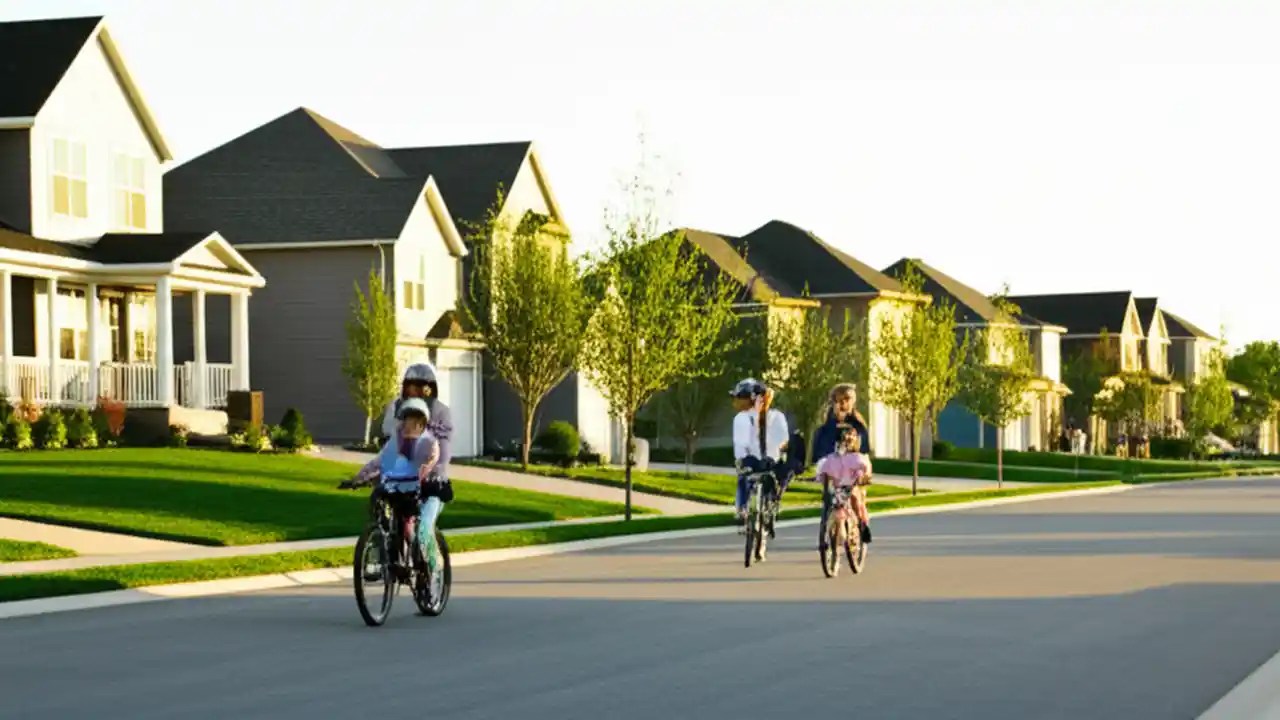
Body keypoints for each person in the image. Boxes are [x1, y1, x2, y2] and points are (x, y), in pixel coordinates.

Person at [352, 397, 453, 574]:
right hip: (406, 490)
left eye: (415, 423)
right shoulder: (395, 443)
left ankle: (433, 566)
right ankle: (383, 555)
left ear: (422, 425)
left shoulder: (429, 443)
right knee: (390, 518)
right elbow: (379, 462)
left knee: (423, 529)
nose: (409, 427)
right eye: (407, 421)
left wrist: (421, 472)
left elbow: (430, 462)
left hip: (431, 492)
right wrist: (359, 477)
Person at [380, 362, 454, 486]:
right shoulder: (396, 407)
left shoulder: (441, 412)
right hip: (398, 474)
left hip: (429, 476)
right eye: (412, 386)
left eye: (423, 387)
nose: (417, 391)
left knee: (431, 502)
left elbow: (443, 447)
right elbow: (388, 437)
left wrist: (436, 474)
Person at [730, 378, 789, 528]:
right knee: (745, 477)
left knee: (765, 478)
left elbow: (782, 440)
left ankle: (767, 505)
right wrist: (742, 460)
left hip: (770, 460)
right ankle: (744, 509)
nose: (735, 402)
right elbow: (741, 445)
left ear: (752, 399)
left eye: (739, 398)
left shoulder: (775, 417)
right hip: (754, 460)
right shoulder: (742, 418)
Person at [816, 424, 873, 543]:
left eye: (852, 437)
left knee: (854, 498)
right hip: (838, 489)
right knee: (829, 500)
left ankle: (861, 525)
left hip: (852, 487)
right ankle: (827, 532)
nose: (847, 442)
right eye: (845, 438)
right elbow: (825, 470)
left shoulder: (857, 458)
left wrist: (865, 477)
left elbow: (865, 468)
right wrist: (823, 480)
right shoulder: (833, 458)